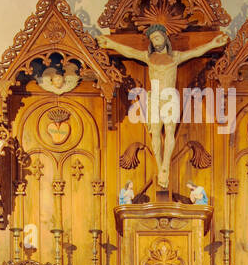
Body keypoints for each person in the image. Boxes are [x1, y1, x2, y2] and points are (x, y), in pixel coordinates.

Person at [97, 24, 227, 189]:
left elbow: (195, 52)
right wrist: (112, 45)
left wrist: (213, 44)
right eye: (152, 39)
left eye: (157, 37)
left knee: (170, 131)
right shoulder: (148, 57)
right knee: (155, 132)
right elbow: (130, 52)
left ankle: (165, 163)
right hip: (155, 97)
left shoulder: (176, 57)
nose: (155, 41)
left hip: (169, 96)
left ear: (165, 38)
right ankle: (160, 168)